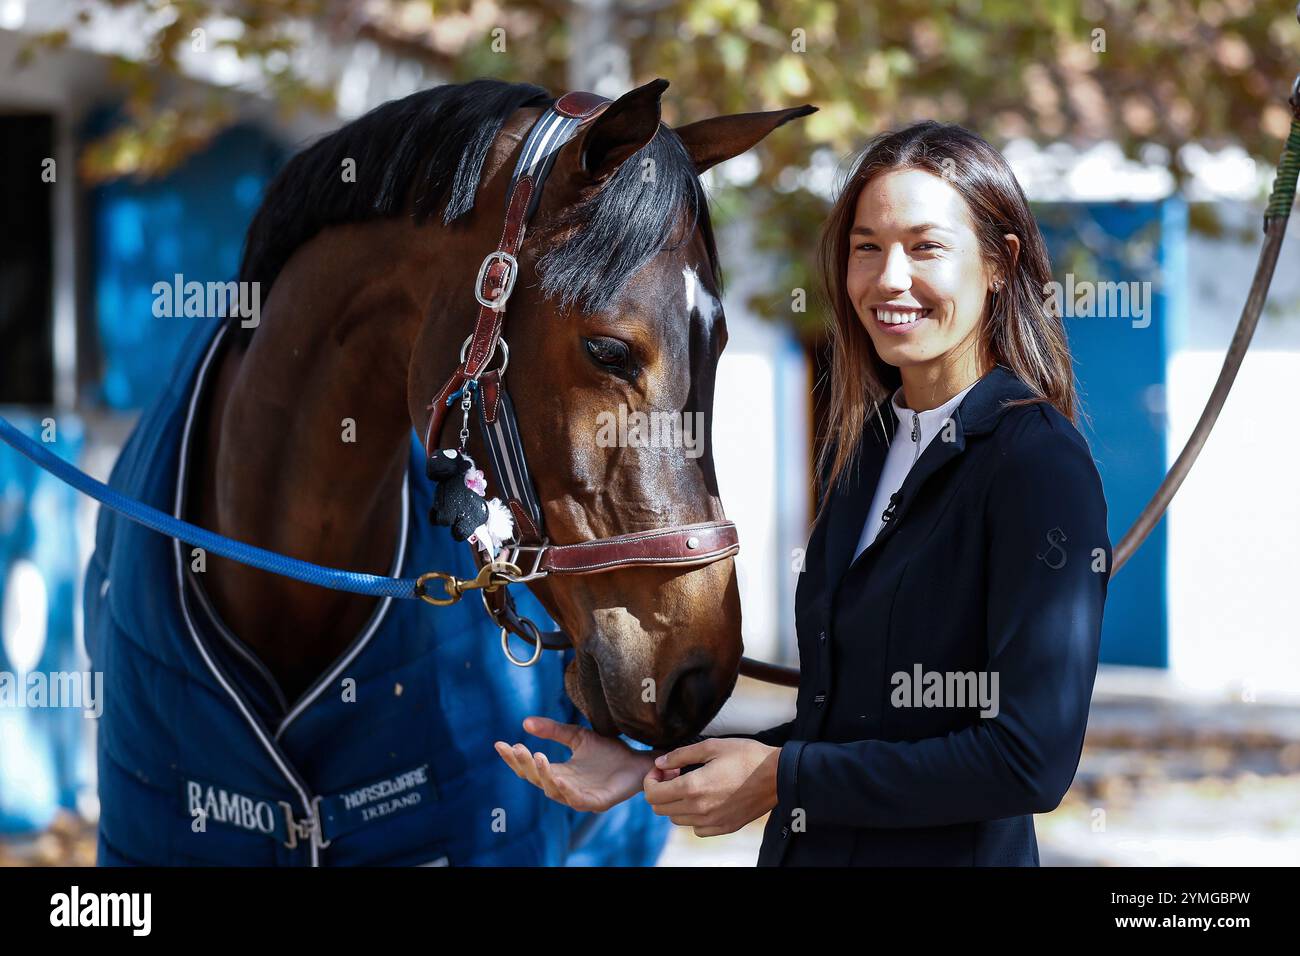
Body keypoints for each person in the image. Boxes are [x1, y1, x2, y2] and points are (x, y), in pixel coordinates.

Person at [495, 120, 1112, 866]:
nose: (889, 278)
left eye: (925, 247)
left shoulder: (1037, 464)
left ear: (1000, 264)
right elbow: (851, 723)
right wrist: (650, 771)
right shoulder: (865, 449)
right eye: (866, 246)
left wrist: (782, 778)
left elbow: (1027, 760)